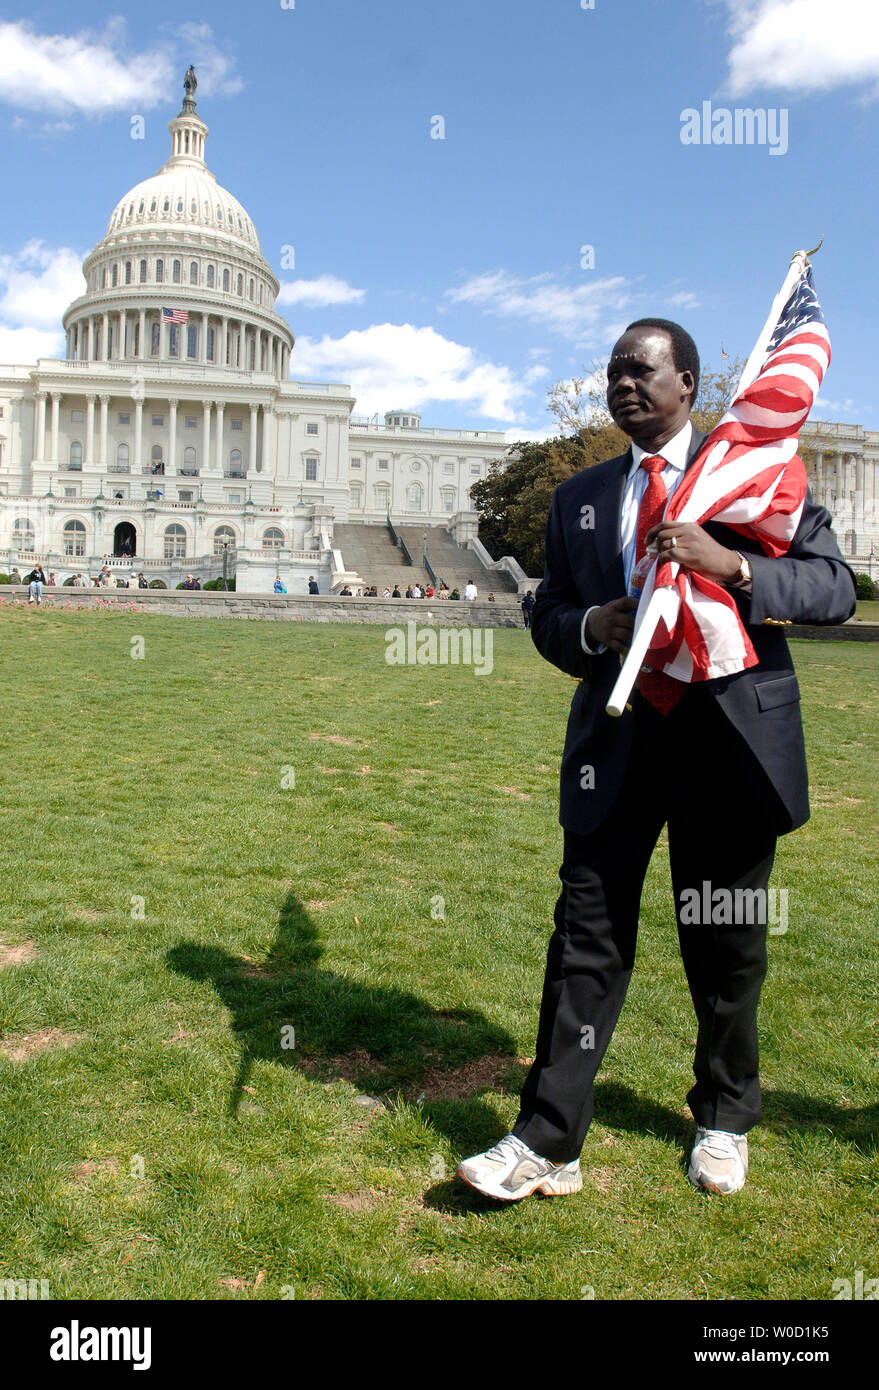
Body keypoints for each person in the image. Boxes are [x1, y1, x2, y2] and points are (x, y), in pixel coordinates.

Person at [457, 317, 856, 1204]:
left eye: (641, 370)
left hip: (727, 740)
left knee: (724, 942)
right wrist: (586, 628)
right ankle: (547, 1138)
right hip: (618, 743)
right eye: (612, 372)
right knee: (584, 940)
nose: (623, 384)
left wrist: (733, 567)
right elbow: (549, 612)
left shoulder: (754, 476)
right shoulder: (580, 499)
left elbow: (832, 585)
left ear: (687, 385)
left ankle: (723, 1116)